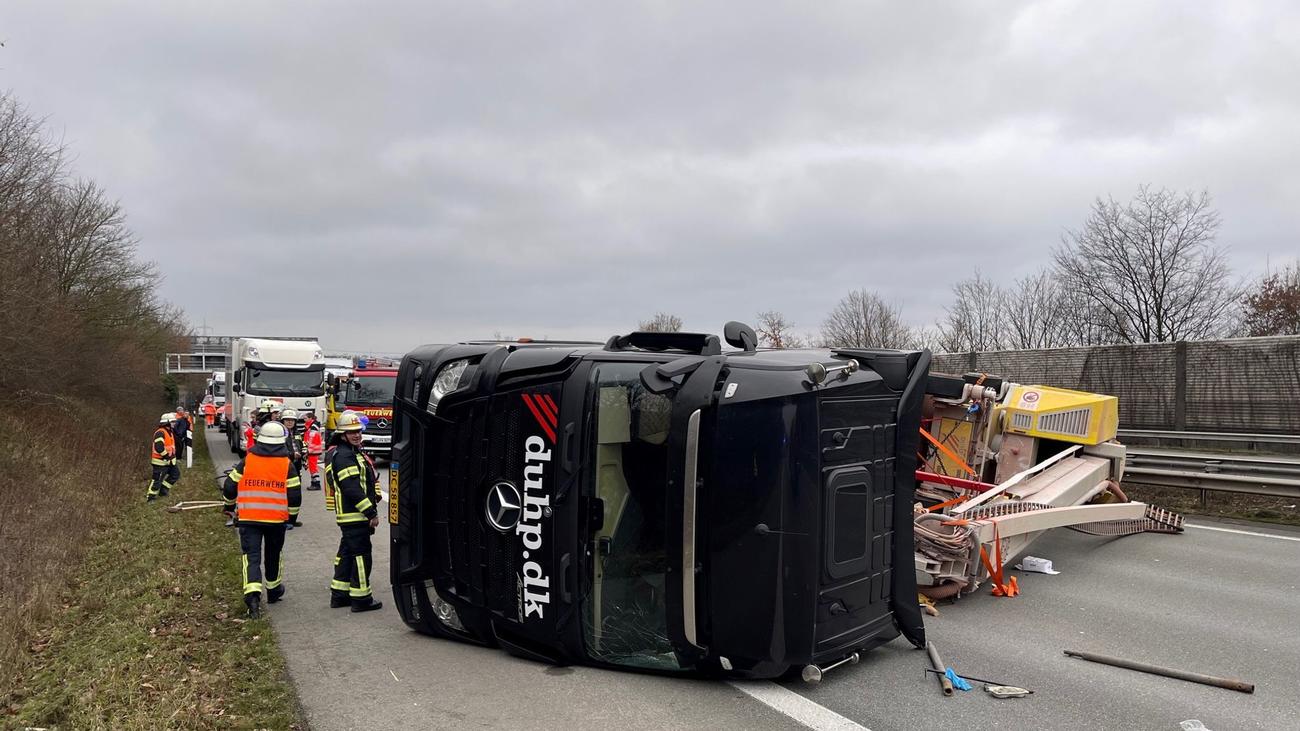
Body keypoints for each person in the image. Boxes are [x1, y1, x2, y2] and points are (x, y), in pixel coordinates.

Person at [221, 421, 301, 618]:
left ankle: (253, 597)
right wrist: (291, 517)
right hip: (276, 521)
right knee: (273, 553)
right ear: (282, 442)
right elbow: (295, 495)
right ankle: (273, 590)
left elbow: (230, 486)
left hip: (249, 519)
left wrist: (229, 506)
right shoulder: (287, 464)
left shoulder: (248, 461)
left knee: (252, 557)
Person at [325, 410, 383, 612]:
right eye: (351, 432)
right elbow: (351, 488)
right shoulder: (344, 456)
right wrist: (371, 513)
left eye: (358, 431)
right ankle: (361, 599)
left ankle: (340, 595)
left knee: (347, 554)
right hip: (355, 516)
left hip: (352, 516)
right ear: (342, 435)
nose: (356, 435)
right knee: (361, 556)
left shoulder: (351, 452)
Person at [280, 408, 305, 528]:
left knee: (295, 495)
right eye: (287, 420)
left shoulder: (297, 433)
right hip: (284, 468)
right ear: (283, 421)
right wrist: (292, 455)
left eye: (292, 420)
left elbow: (300, 445)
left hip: (296, 466)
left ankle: (292, 519)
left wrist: (304, 453)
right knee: (286, 494)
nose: (290, 422)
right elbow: (279, 451)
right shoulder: (280, 434)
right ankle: (285, 519)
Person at [147, 412, 178, 501]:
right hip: (160, 462)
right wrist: (167, 456)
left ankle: (163, 491)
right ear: (167, 422)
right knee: (157, 480)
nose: (174, 423)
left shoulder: (170, 432)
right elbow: (159, 447)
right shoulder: (160, 432)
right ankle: (151, 497)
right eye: (172, 422)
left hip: (169, 461)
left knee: (175, 475)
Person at [303, 411, 324, 491]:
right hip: (313, 449)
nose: (304, 420)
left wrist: (307, 450)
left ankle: (316, 484)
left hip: (313, 450)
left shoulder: (313, 427)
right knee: (312, 467)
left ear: (310, 418)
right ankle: (314, 483)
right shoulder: (311, 425)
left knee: (313, 468)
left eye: (305, 418)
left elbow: (311, 439)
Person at [172, 407, 193, 479]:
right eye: (185, 414)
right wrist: (178, 434)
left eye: (188, 414)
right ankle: (178, 458)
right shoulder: (180, 420)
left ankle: (179, 457)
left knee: (181, 447)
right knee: (178, 447)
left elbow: (187, 428)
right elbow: (175, 427)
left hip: (182, 436)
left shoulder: (187, 421)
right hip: (177, 436)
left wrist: (187, 434)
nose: (186, 415)